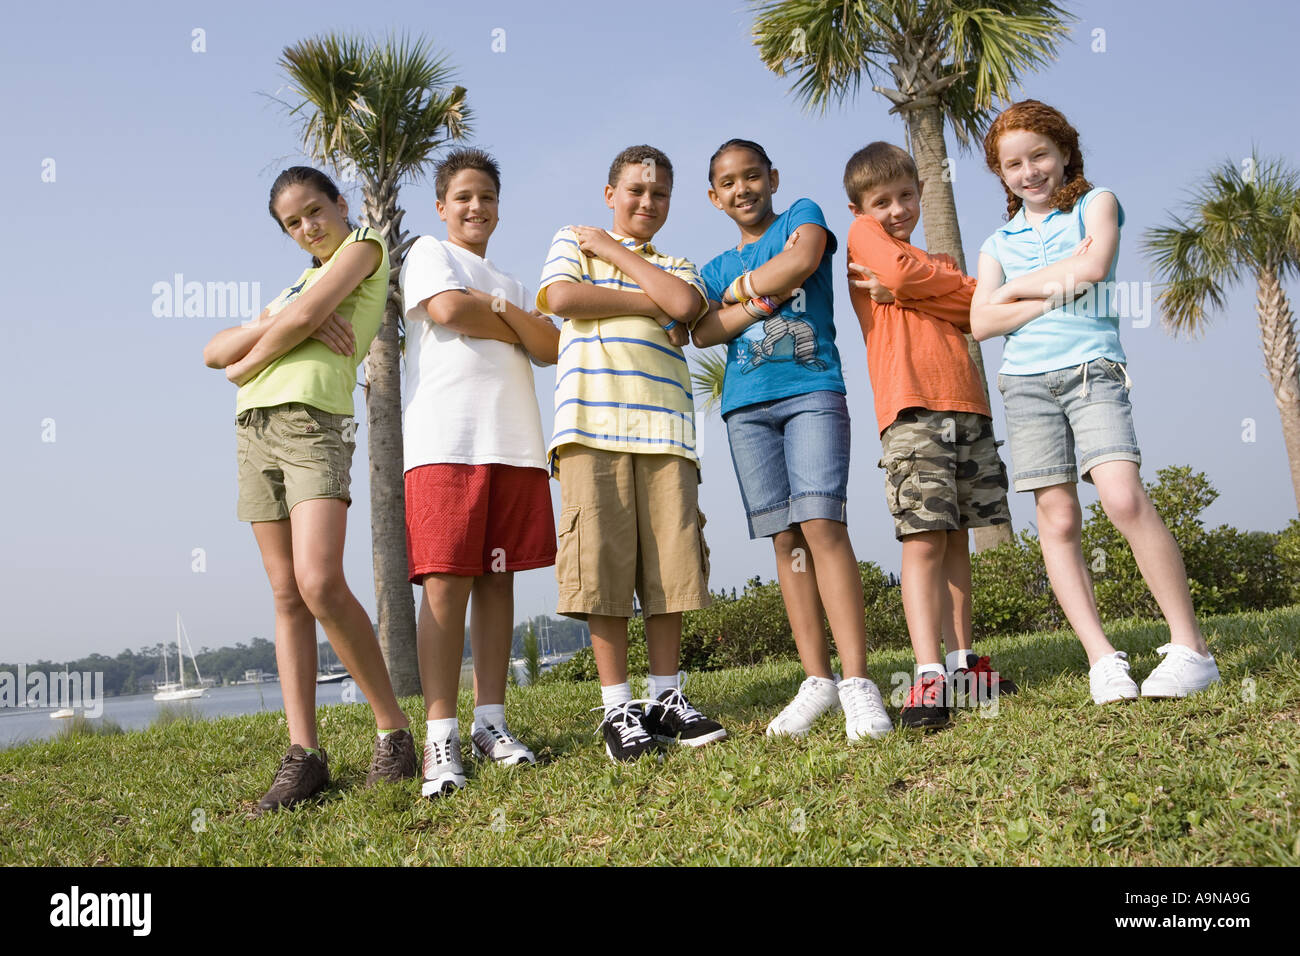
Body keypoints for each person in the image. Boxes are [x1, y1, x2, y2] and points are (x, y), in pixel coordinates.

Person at [970, 100, 1219, 703]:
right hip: (1025, 382)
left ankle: (1192, 648)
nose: (1029, 171)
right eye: (1013, 164)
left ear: (1064, 154)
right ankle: (1102, 659)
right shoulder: (995, 241)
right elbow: (980, 322)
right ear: (1000, 174)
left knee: (1123, 497)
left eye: (1040, 156)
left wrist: (1015, 293)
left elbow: (1097, 265)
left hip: (1091, 370)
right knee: (1056, 519)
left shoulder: (1094, 203)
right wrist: (1061, 277)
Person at [203, 166, 416, 811]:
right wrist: (281, 329)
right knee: (286, 593)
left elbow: (269, 340)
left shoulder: (363, 247)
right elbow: (213, 353)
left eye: (314, 211)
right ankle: (305, 754)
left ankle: (394, 731)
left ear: (340, 203)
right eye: (292, 224)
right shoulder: (298, 282)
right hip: (254, 428)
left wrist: (256, 350)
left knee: (320, 581)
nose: (306, 228)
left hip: (312, 421)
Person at [693, 139, 894, 741]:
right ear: (713, 197)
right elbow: (700, 331)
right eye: (728, 182)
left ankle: (858, 682)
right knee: (786, 540)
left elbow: (801, 262)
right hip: (746, 410)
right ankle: (817, 681)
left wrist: (739, 298)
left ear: (772, 177)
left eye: (752, 176)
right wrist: (757, 297)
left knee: (823, 526)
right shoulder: (711, 268)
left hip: (812, 393)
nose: (742, 189)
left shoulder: (802, 214)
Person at [538, 144, 726, 762]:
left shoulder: (677, 261)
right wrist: (655, 298)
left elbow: (686, 306)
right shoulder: (573, 238)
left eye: (661, 194)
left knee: (671, 570)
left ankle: (665, 699)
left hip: (668, 431)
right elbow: (563, 299)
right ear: (610, 193)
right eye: (636, 191)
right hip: (591, 426)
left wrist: (617, 258)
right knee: (603, 571)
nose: (648, 202)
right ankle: (618, 708)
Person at [399, 148, 560, 798]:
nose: (476, 207)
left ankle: (490, 723)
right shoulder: (428, 256)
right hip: (445, 444)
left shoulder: (513, 283)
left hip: (514, 445)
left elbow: (549, 346)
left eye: (487, 197)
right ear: (442, 206)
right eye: (464, 196)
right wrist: (511, 324)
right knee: (444, 584)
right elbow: (446, 312)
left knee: (498, 583)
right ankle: (441, 735)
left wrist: (499, 312)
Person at [842, 141, 1017, 729]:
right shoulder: (865, 238)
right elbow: (896, 272)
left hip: (967, 404)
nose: (897, 209)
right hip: (912, 410)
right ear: (860, 207)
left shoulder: (935, 260)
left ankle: (965, 665)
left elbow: (980, 307)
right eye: (882, 200)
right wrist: (928, 285)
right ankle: (928, 675)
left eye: (907, 196)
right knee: (922, 538)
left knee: (959, 536)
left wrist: (918, 288)